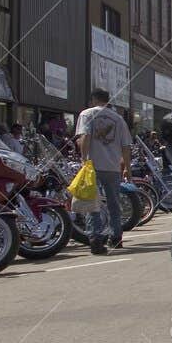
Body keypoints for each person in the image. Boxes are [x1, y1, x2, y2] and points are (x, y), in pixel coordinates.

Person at [76, 89, 132, 254]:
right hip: (113, 167)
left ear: (93, 99)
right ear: (108, 100)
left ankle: (96, 239)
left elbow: (85, 137)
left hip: (93, 167)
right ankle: (116, 237)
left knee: (92, 204)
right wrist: (127, 168)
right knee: (114, 204)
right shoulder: (118, 119)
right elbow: (126, 146)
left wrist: (84, 159)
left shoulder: (86, 114)